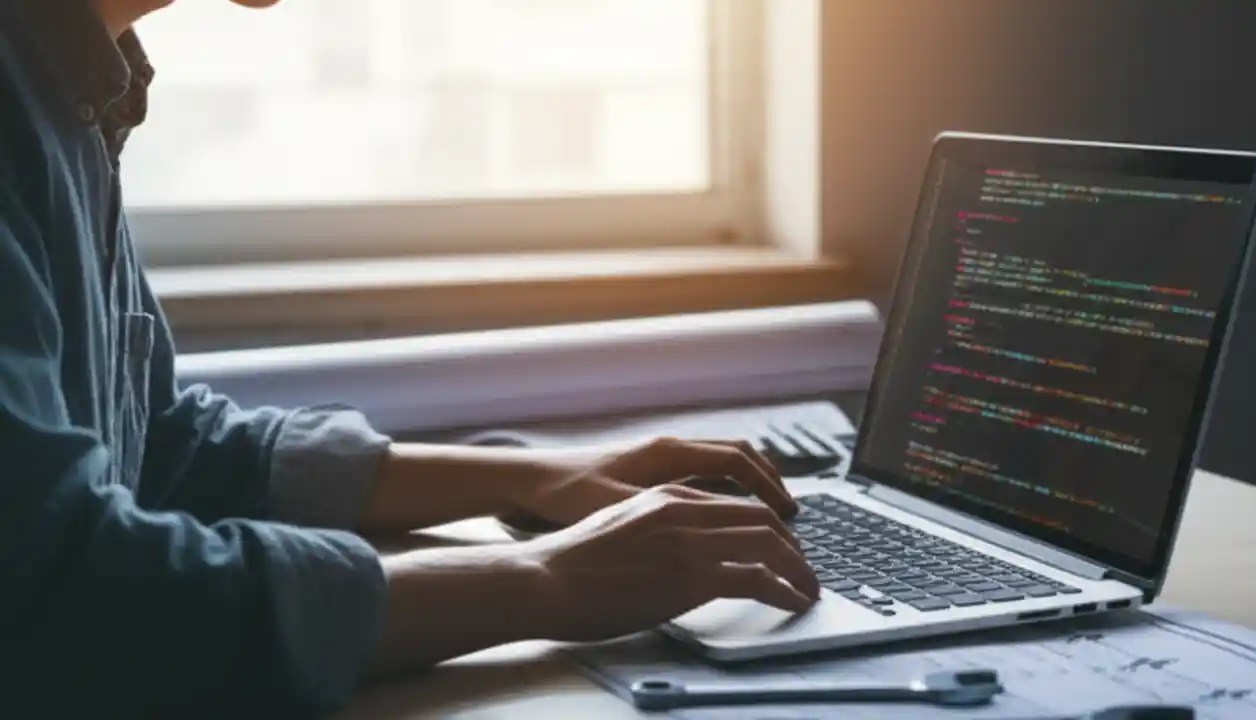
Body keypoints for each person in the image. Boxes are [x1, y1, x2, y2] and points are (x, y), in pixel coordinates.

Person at [0, 0, 820, 715]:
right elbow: (71, 598)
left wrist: (535, 477)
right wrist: (547, 578)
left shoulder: (68, 82)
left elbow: (161, 447)